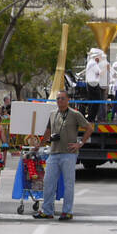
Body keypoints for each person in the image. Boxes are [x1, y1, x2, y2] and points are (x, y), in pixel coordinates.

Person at [35, 91, 92, 221]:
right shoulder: (53, 114)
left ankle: (67, 211)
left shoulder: (75, 114)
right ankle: (47, 211)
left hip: (69, 154)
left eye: (62, 98)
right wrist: (40, 144)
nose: (59, 101)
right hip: (54, 152)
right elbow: (48, 131)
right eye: (58, 99)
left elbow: (89, 128)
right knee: (48, 182)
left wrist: (80, 143)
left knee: (68, 184)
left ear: (68, 100)